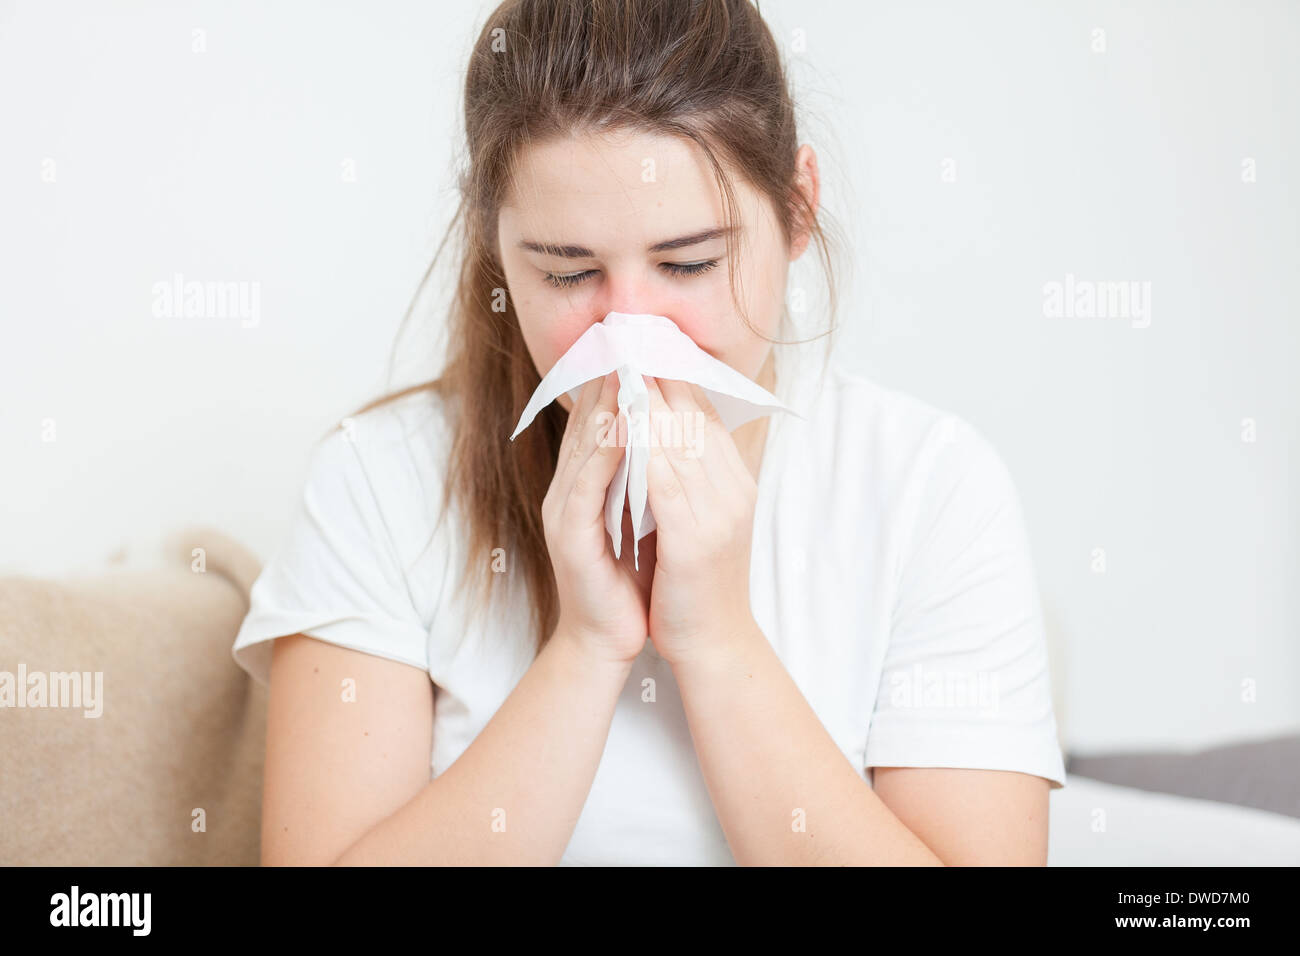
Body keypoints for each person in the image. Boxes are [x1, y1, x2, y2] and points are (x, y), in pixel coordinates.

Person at [232, 0, 1066, 866]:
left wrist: (716, 638)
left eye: (688, 264)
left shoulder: (930, 487)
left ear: (799, 211)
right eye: (568, 272)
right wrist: (587, 648)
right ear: (498, 252)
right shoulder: (379, 480)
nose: (627, 331)